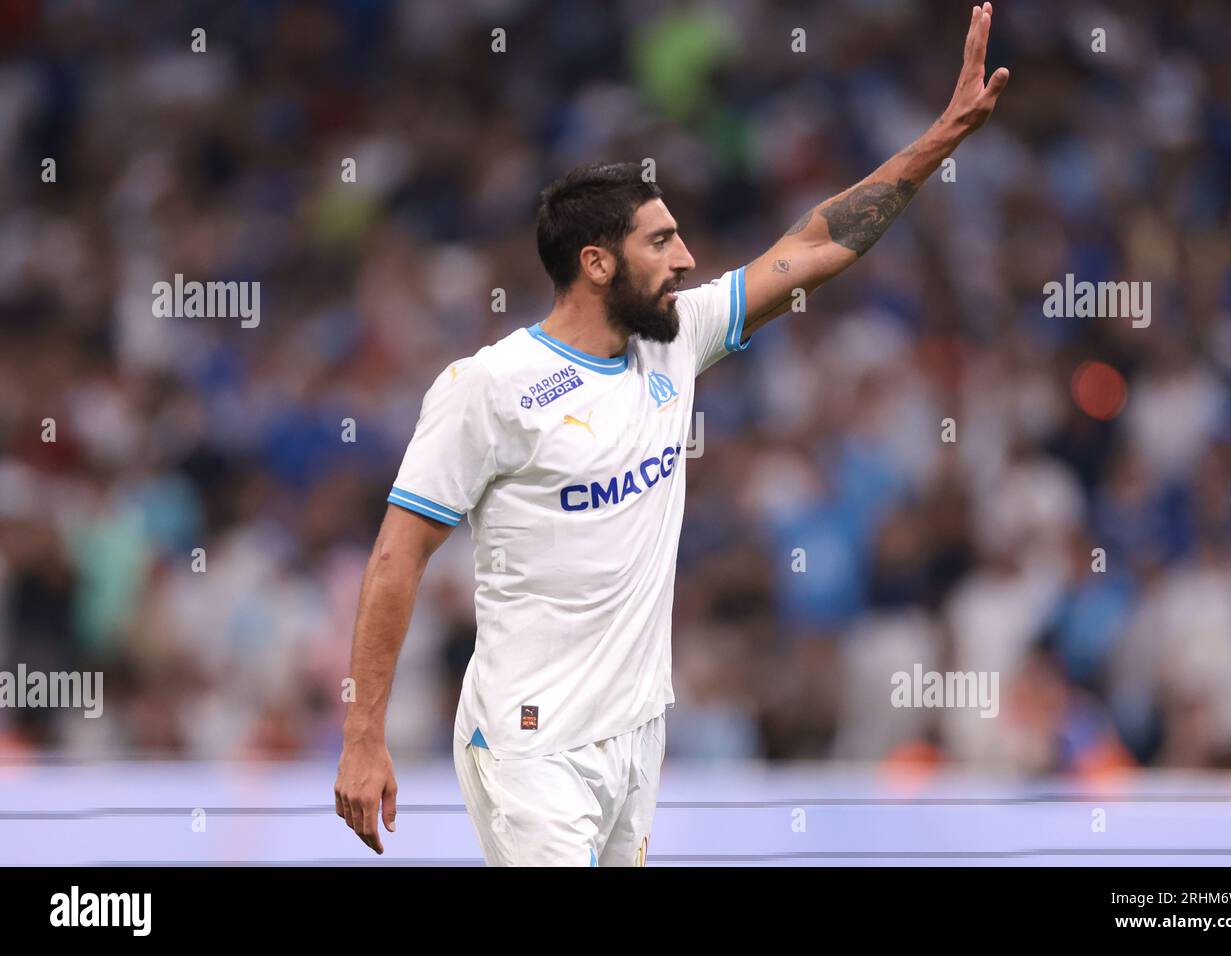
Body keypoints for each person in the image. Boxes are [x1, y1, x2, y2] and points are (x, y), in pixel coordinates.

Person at [334, 3, 1010, 866]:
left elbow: (816, 246)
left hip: (637, 735)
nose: (688, 259)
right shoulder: (488, 389)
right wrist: (364, 734)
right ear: (597, 263)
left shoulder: (676, 339)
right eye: (662, 241)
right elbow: (397, 557)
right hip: (531, 746)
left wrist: (942, 137)